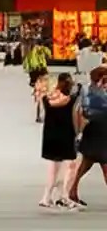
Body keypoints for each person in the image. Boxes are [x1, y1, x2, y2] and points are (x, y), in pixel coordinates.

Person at [67, 65, 107, 207]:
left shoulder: (87, 90)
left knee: (87, 163)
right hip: (97, 131)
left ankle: (72, 191)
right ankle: (71, 190)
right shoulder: (93, 92)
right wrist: (78, 131)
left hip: (96, 130)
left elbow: (79, 110)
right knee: (103, 163)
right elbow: (80, 111)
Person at [39, 72, 78, 209]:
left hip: (50, 135)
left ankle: (47, 196)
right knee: (70, 167)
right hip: (66, 135)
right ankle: (63, 196)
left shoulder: (46, 99)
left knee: (53, 167)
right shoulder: (71, 99)